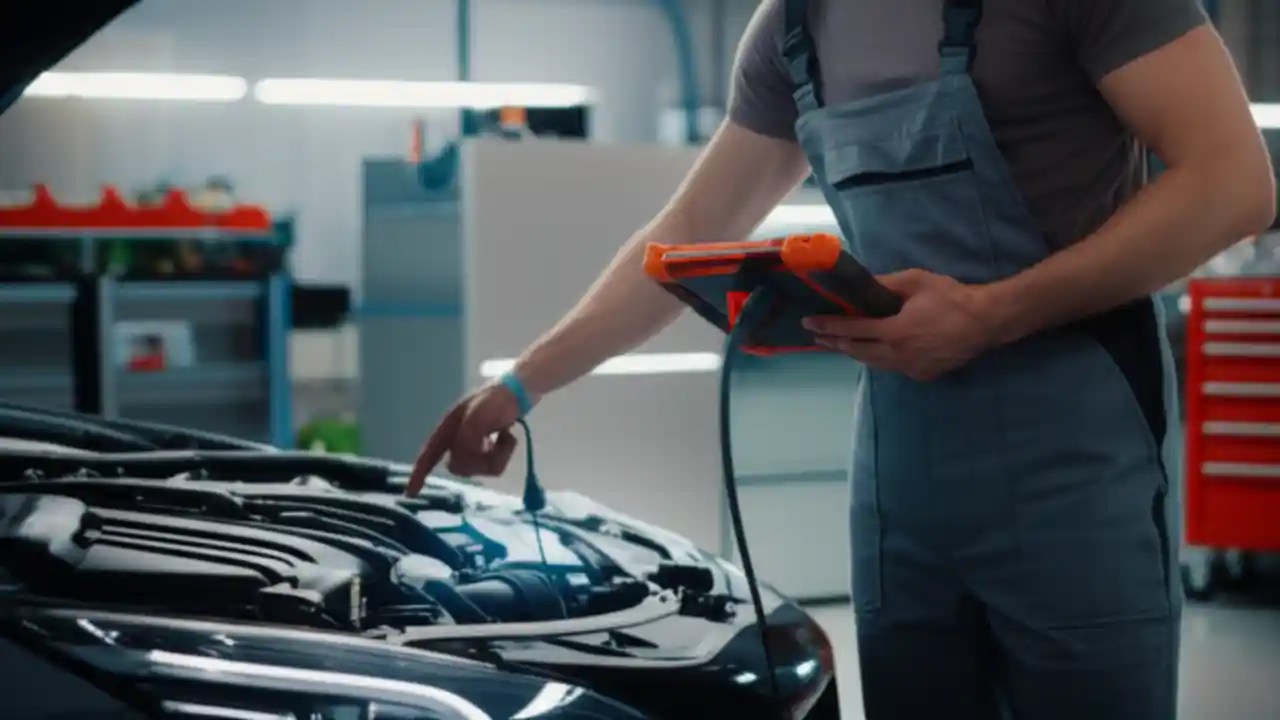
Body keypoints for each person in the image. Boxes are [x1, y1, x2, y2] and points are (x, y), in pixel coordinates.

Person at [406, 0, 1275, 717]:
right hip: (904, 480)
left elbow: (1236, 182)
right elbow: (683, 238)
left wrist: (991, 314)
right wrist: (521, 384)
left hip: (1076, 466)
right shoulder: (792, 32)